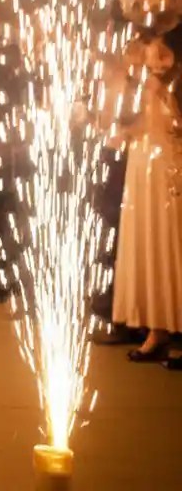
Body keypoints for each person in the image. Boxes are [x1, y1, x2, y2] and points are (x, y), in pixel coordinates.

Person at [112, 35, 182, 365]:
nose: (154, 63)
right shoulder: (135, 81)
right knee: (148, 243)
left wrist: (166, 94)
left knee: (172, 245)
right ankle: (157, 326)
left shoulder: (175, 82)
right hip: (141, 169)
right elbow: (124, 122)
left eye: (162, 56)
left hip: (171, 168)